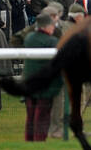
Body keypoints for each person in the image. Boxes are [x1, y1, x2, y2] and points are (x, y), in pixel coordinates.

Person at [22, 11, 62, 142]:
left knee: (30, 115)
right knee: (42, 115)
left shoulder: (29, 38)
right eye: (52, 26)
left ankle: (29, 139)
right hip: (44, 85)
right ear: (45, 26)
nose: (53, 28)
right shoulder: (52, 41)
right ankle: (39, 140)